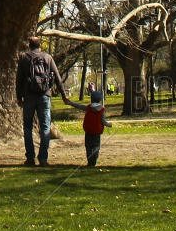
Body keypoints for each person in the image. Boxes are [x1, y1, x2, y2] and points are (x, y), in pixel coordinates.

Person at [15, 34, 73, 166]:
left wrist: (19, 97)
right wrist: (64, 95)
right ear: (40, 45)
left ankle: (30, 157)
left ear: (29, 45)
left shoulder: (24, 58)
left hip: (29, 96)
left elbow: (19, 80)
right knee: (45, 126)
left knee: (28, 127)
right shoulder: (47, 57)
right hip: (45, 95)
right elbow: (58, 78)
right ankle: (43, 158)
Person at [82, 87, 107, 166]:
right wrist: (109, 124)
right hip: (97, 131)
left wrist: (71, 103)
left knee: (88, 146)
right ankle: (94, 160)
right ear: (100, 99)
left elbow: (78, 106)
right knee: (96, 146)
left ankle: (90, 161)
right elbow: (103, 121)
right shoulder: (102, 110)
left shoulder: (88, 108)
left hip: (88, 130)